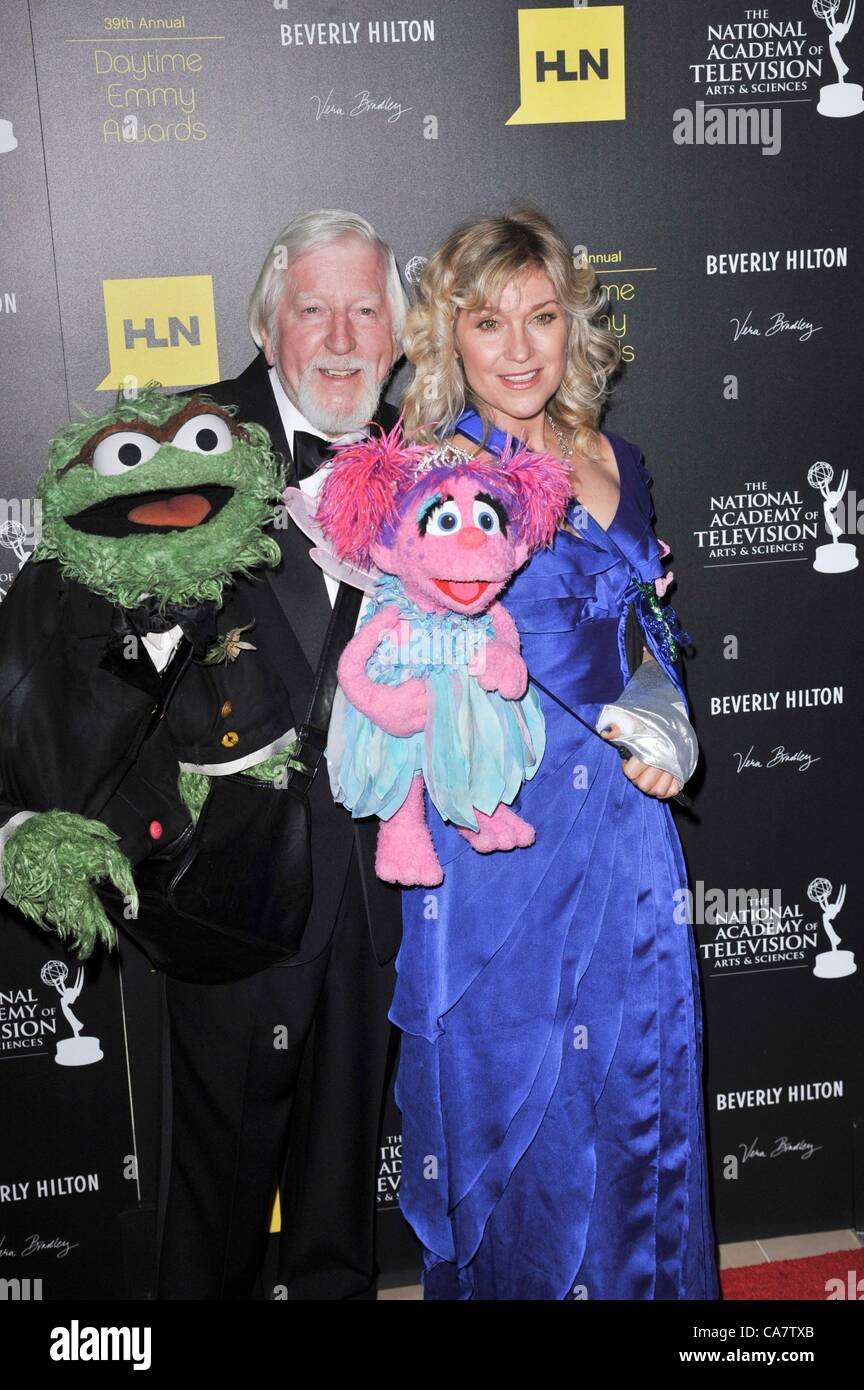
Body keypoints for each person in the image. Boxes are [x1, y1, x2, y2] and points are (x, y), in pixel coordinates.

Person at [393, 206, 720, 1300]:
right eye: (490, 323)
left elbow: (636, 628)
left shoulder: (613, 454)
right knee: (515, 1092)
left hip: (628, 819)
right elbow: (476, 641)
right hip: (505, 825)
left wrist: (666, 724)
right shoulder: (436, 469)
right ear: (452, 336)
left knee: (636, 1082)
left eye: (542, 318)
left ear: (573, 325)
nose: (521, 349)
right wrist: (635, 711)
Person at [154, 210, 407, 1298]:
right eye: (314, 308)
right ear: (269, 327)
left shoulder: (432, 462)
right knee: (214, 1196)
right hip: (236, 881)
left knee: (341, 1189)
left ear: (399, 338)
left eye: (366, 311)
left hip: (376, 881)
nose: (342, 336)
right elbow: (93, 663)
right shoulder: (179, 450)